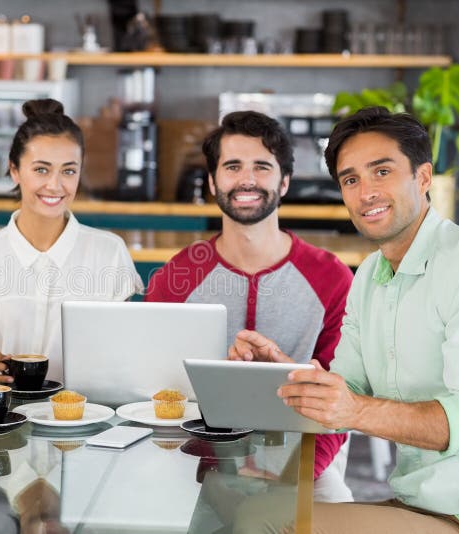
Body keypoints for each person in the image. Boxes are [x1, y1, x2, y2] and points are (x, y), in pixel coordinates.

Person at [232, 106, 459, 532]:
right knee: (249, 511)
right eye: (351, 179)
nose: (366, 192)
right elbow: (349, 392)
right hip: (417, 504)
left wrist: (352, 409)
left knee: (259, 522)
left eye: (382, 172)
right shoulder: (370, 280)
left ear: (424, 177)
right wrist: (287, 373)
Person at [146, 110, 354, 503]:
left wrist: (292, 475)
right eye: (232, 166)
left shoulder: (332, 279)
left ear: (285, 181)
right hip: (197, 460)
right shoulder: (178, 275)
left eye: (262, 166)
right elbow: (154, 387)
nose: (247, 179)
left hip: (305, 461)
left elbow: (345, 392)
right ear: (212, 182)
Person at [0, 98, 143, 388]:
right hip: (9, 421)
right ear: (14, 170)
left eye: (68, 171)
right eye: (41, 169)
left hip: (87, 419)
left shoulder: (110, 253)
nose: (55, 185)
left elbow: (119, 365)